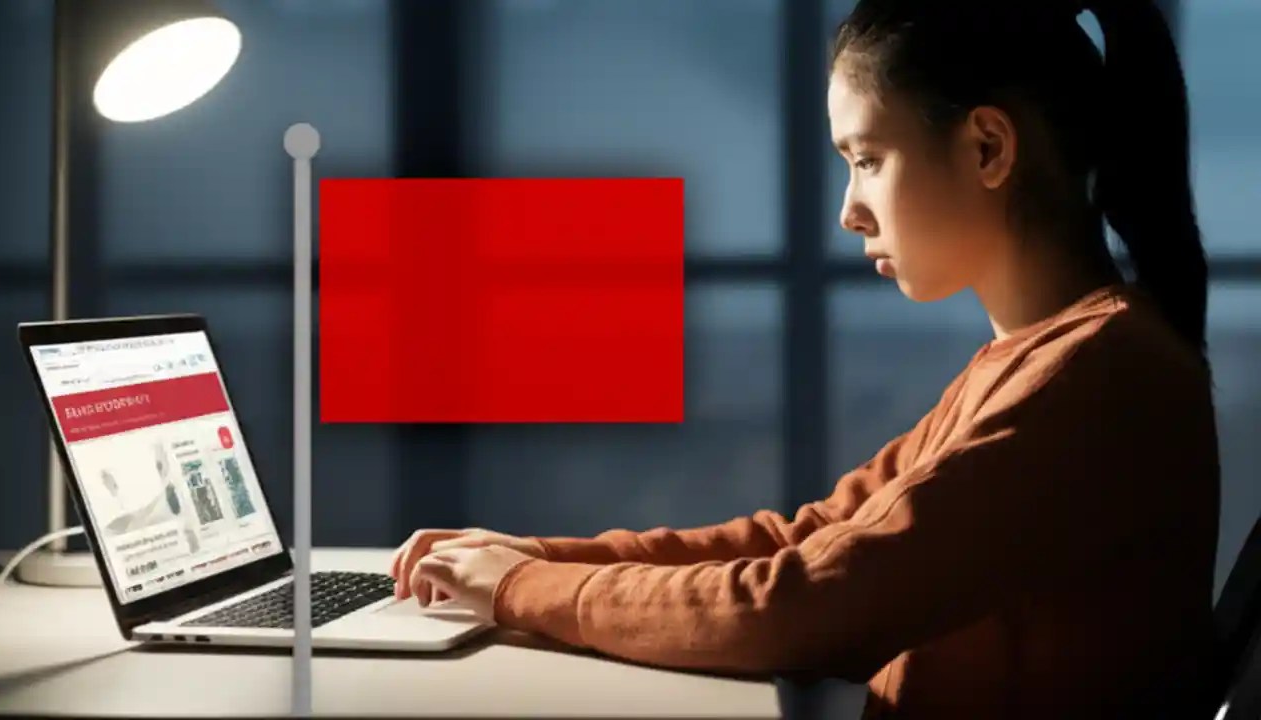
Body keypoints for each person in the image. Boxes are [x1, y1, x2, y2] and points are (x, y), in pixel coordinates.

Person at [389, 0, 1221, 717]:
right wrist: (538, 559)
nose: (849, 211)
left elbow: (803, 604)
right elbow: (815, 538)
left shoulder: (1098, 379)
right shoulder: (1044, 359)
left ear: (987, 150)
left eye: (867, 161)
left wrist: (519, 591)